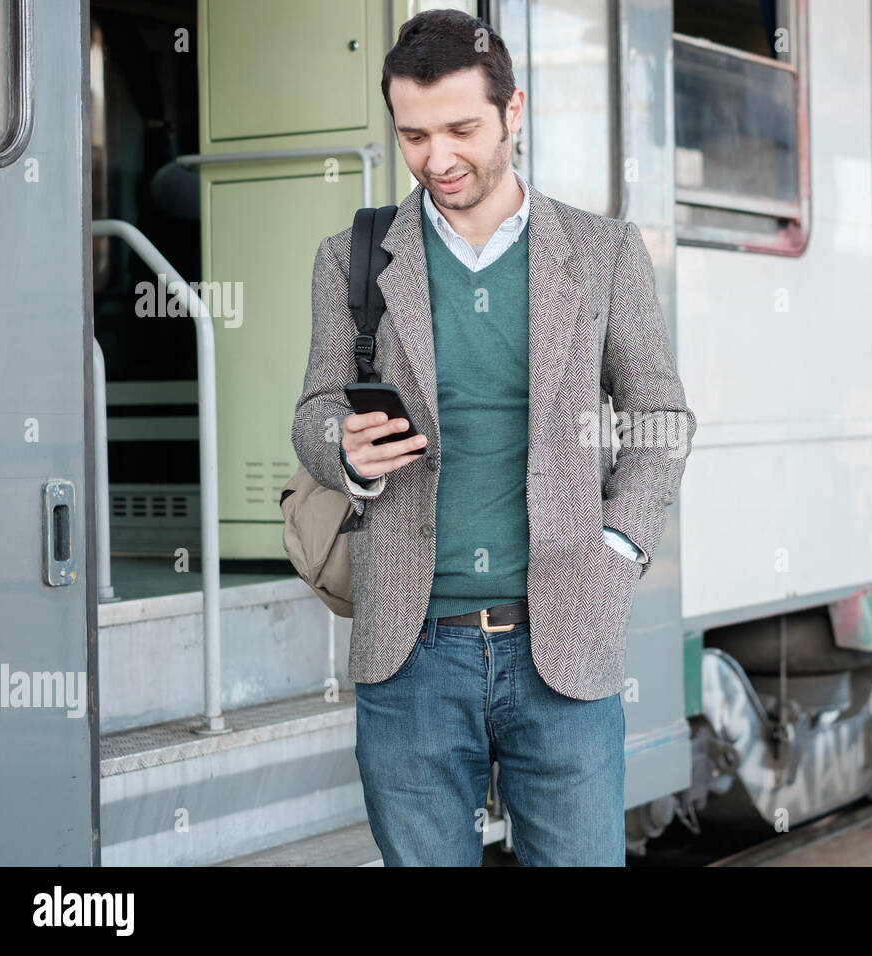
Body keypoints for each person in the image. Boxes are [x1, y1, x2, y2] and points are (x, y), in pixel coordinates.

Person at [290, 9, 695, 866]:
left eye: (461, 129)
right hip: (411, 655)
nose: (438, 159)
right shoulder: (352, 260)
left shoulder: (605, 252)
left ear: (515, 112)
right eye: (413, 135)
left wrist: (619, 546)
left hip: (564, 646)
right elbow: (315, 410)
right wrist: (344, 451)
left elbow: (661, 416)